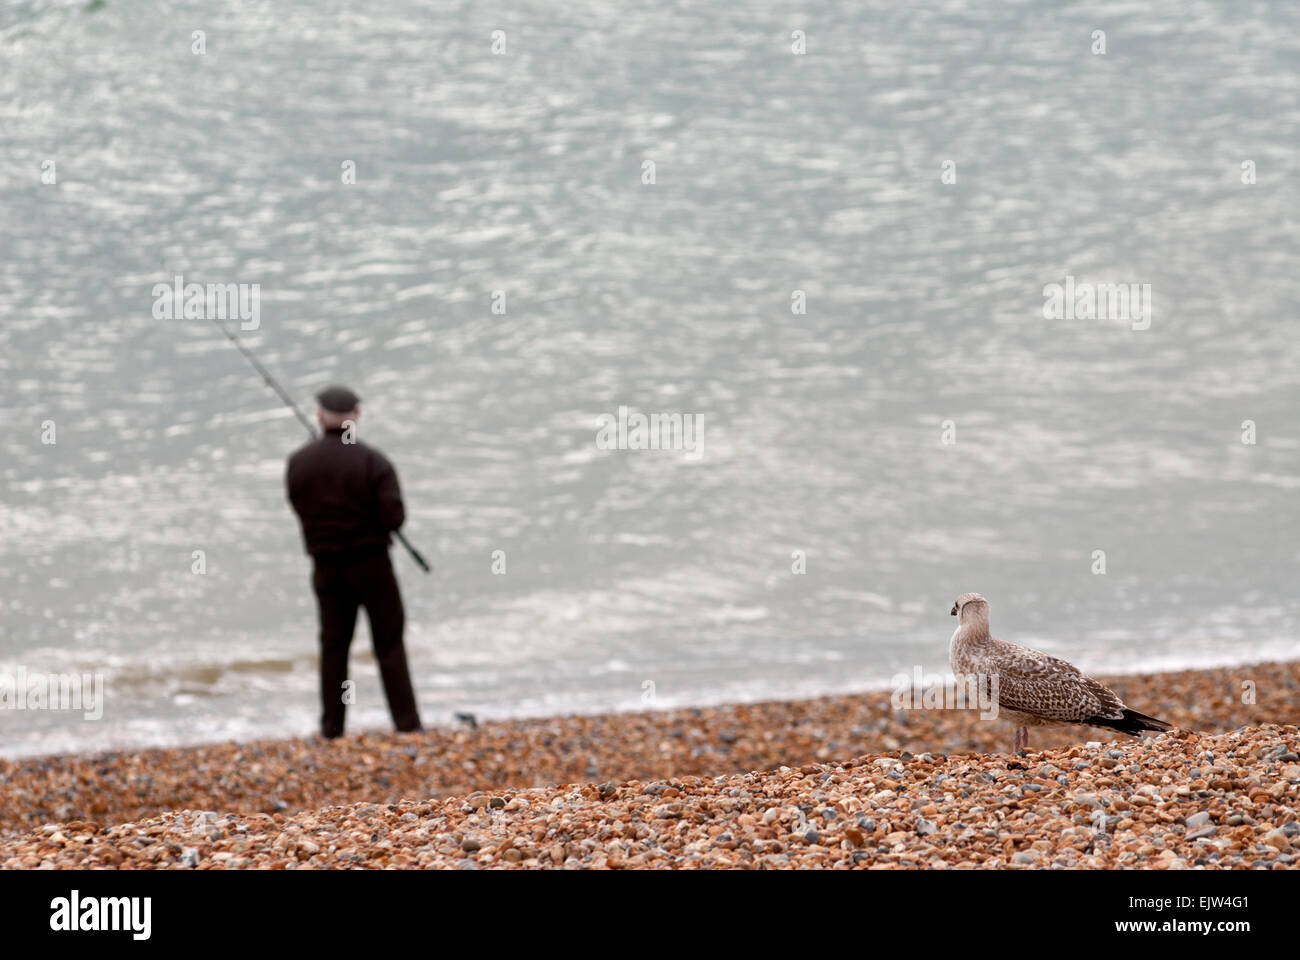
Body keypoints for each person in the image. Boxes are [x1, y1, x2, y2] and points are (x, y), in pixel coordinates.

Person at [286, 385, 422, 739]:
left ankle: (332, 728)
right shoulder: (373, 462)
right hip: (372, 564)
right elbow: (394, 517)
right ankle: (406, 724)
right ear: (356, 415)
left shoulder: (300, 462)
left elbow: (299, 505)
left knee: (334, 646)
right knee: (389, 643)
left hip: (326, 566)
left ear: (320, 416)